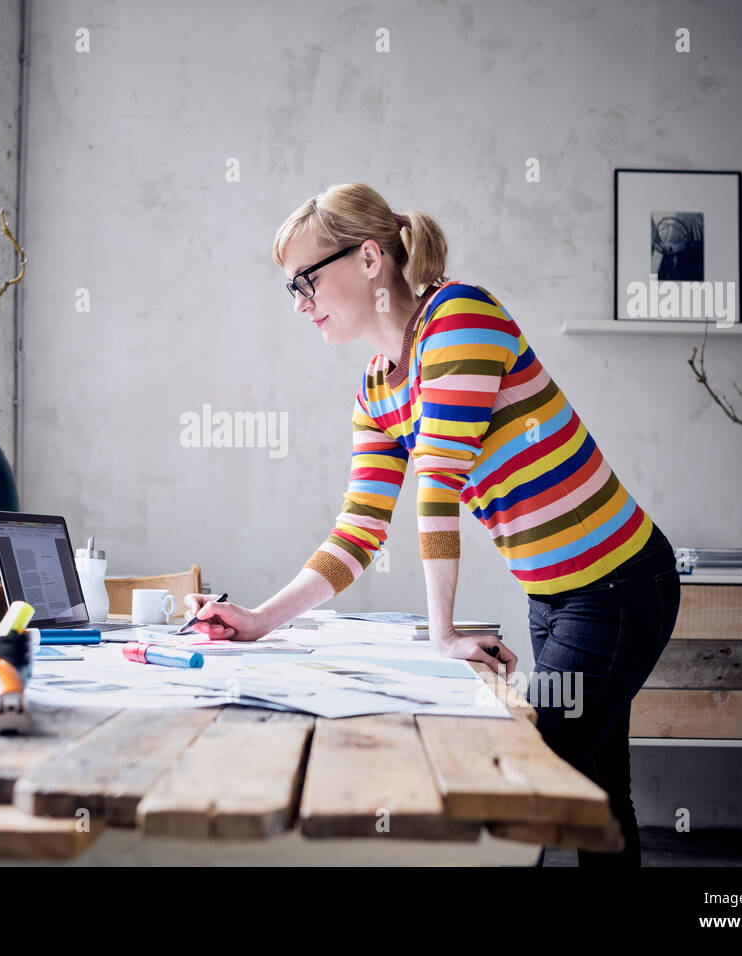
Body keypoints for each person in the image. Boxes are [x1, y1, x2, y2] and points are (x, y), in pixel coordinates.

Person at [182, 182, 681, 866]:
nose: (299, 304)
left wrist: (444, 633)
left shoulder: (460, 317)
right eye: (288, 289)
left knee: (526, 788)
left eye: (305, 280)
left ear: (366, 260)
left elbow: (438, 481)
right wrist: (263, 618)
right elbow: (359, 529)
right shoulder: (377, 389)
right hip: (553, 596)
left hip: (622, 587)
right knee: (600, 796)